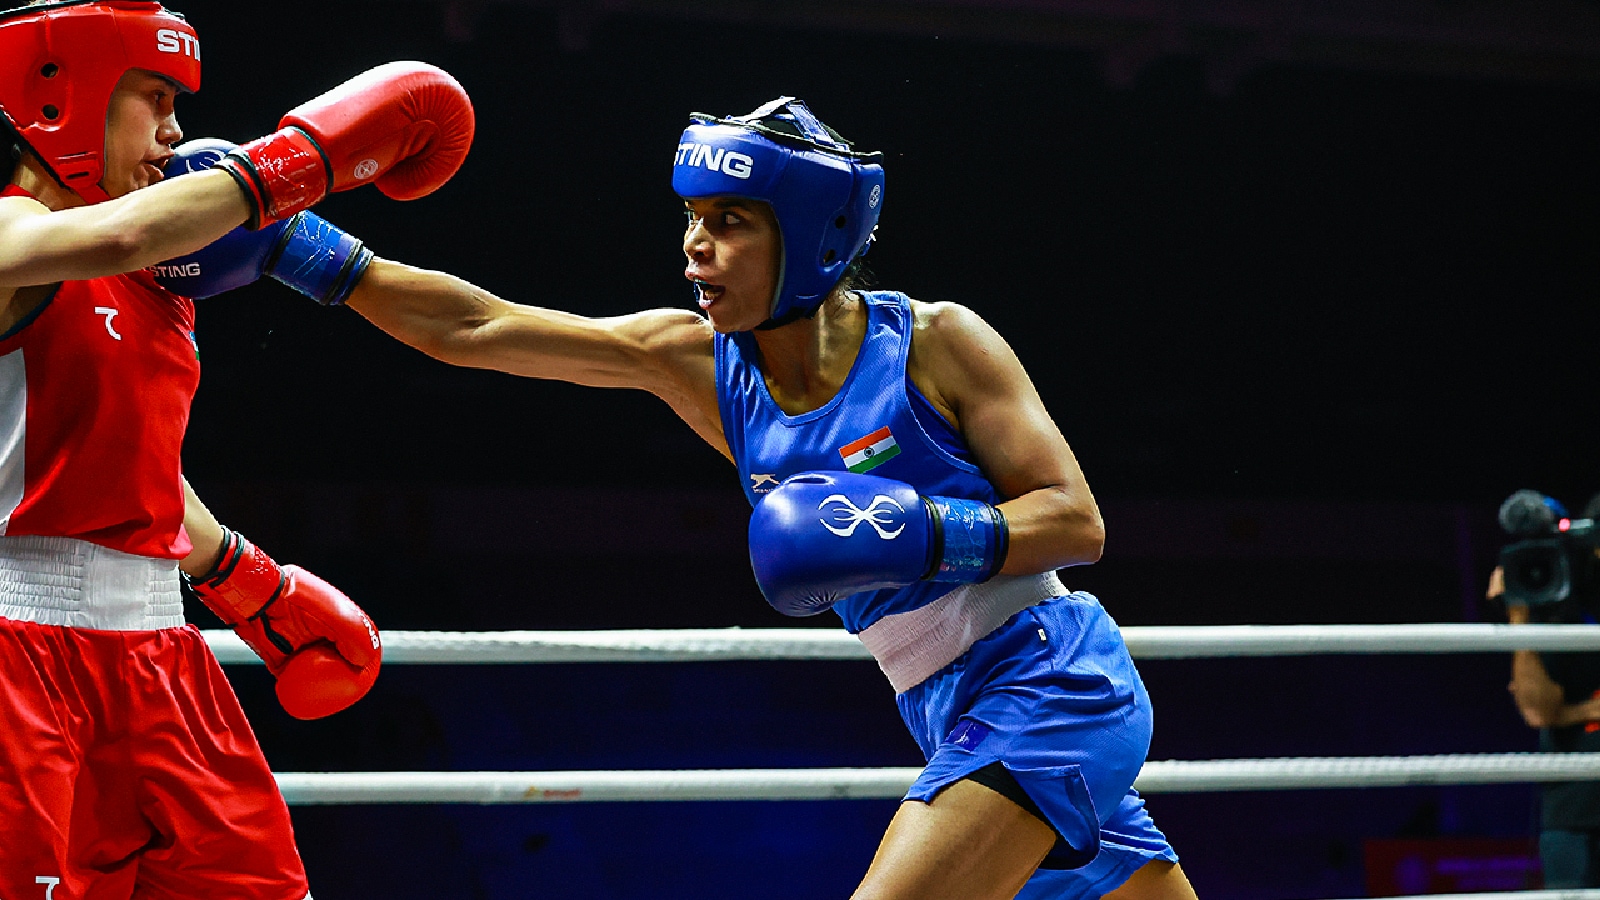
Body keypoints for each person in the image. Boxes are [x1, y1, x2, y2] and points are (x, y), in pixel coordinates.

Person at [170, 95, 1196, 898]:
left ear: (810, 233)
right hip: (940, 705)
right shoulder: (698, 364)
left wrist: (910, 527)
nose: (695, 245)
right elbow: (478, 328)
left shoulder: (934, 342)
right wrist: (305, 255)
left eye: (731, 222)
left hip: (1047, 685)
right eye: (693, 219)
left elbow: (1075, 521)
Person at [0, 2, 473, 897]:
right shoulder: (14, 235)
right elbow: (126, 231)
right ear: (62, 96)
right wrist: (304, 159)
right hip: (15, 652)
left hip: (157, 652)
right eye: (154, 97)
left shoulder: (145, 271)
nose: (175, 130)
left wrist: (243, 579)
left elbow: (122, 454)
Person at [1491, 492, 1600, 889]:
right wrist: (1518, 614)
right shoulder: (1555, 605)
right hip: (1574, 811)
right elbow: (1538, 712)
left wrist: (1574, 712)